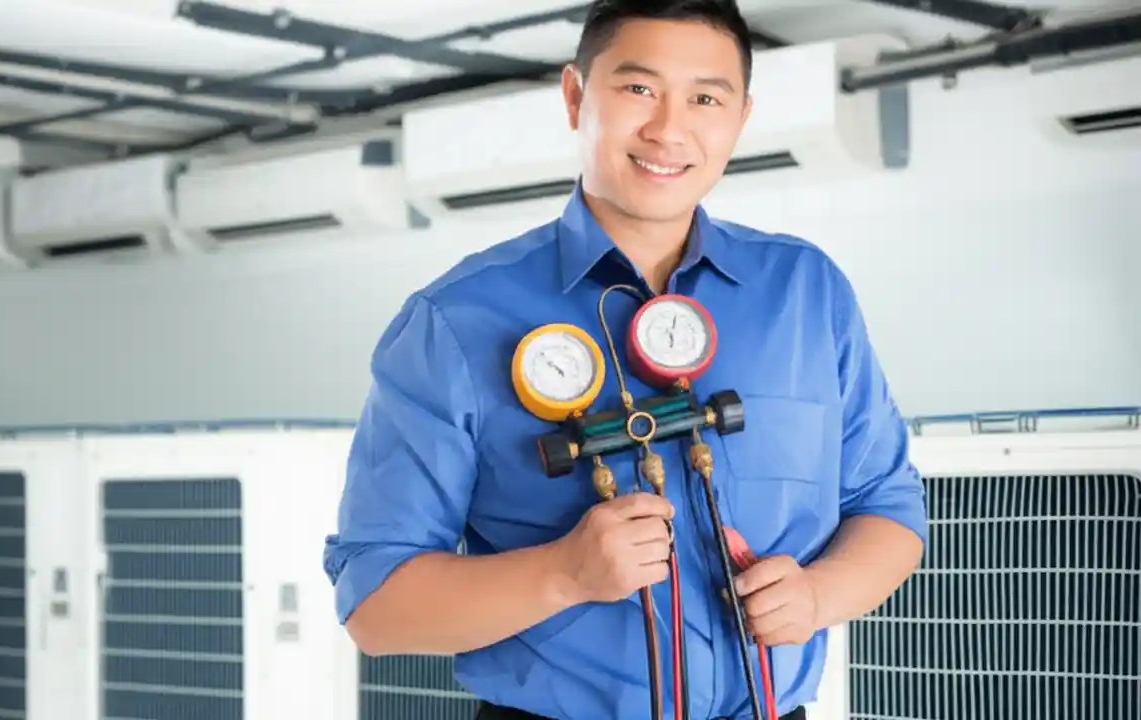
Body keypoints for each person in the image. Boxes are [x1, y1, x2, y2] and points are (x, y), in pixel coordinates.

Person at [322, 0, 929, 718]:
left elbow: (888, 508)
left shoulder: (805, 292)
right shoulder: (452, 322)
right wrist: (562, 573)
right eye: (638, 88)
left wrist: (820, 594)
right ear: (576, 95)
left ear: (740, 115)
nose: (669, 129)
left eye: (705, 97)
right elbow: (376, 601)